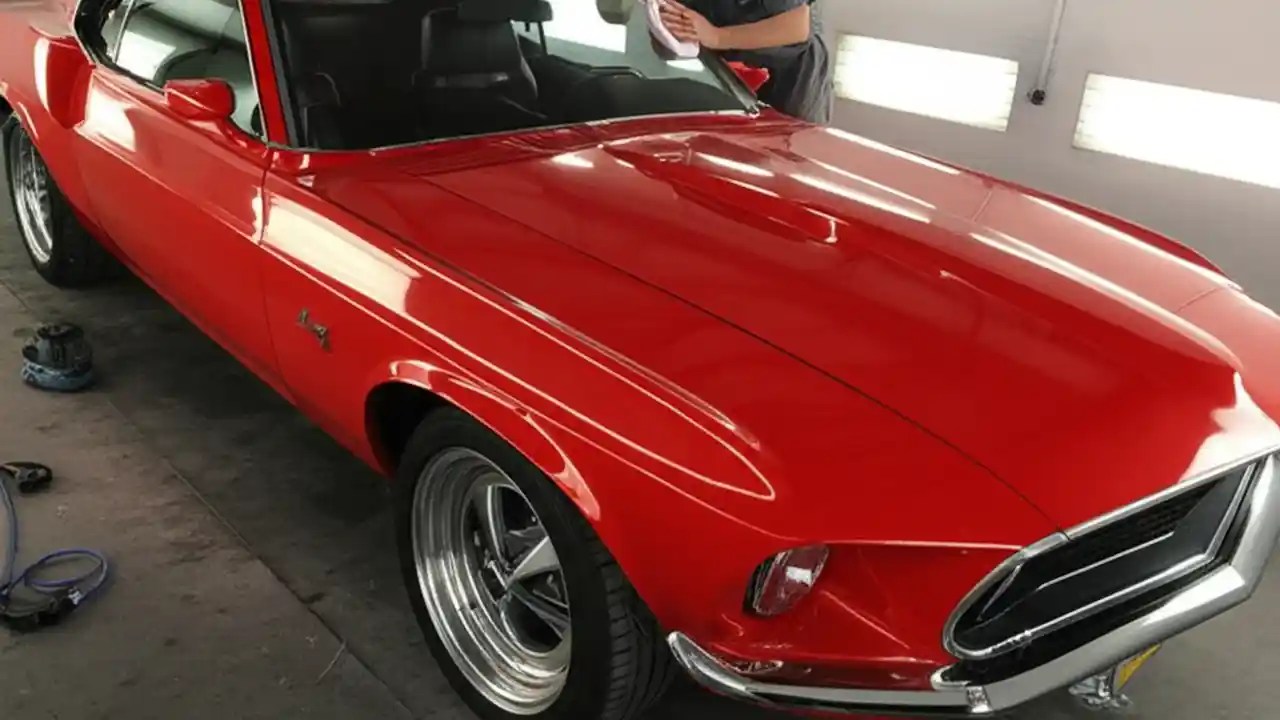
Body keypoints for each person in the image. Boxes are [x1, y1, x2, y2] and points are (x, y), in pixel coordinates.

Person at [658, 0, 832, 123]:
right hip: (727, 73)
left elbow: (797, 25)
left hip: (794, 75)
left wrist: (717, 36)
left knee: (787, 159)